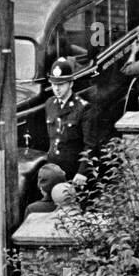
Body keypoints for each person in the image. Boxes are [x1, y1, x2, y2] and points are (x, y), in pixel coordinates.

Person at [44, 58, 96, 186]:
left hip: (73, 172)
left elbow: (90, 145)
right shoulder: (50, 104)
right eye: (54, 84)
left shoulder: (83, 108)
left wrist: (82, 172)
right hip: (53, 170)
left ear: (71, 84)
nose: (57, 89)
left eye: (61, 84)